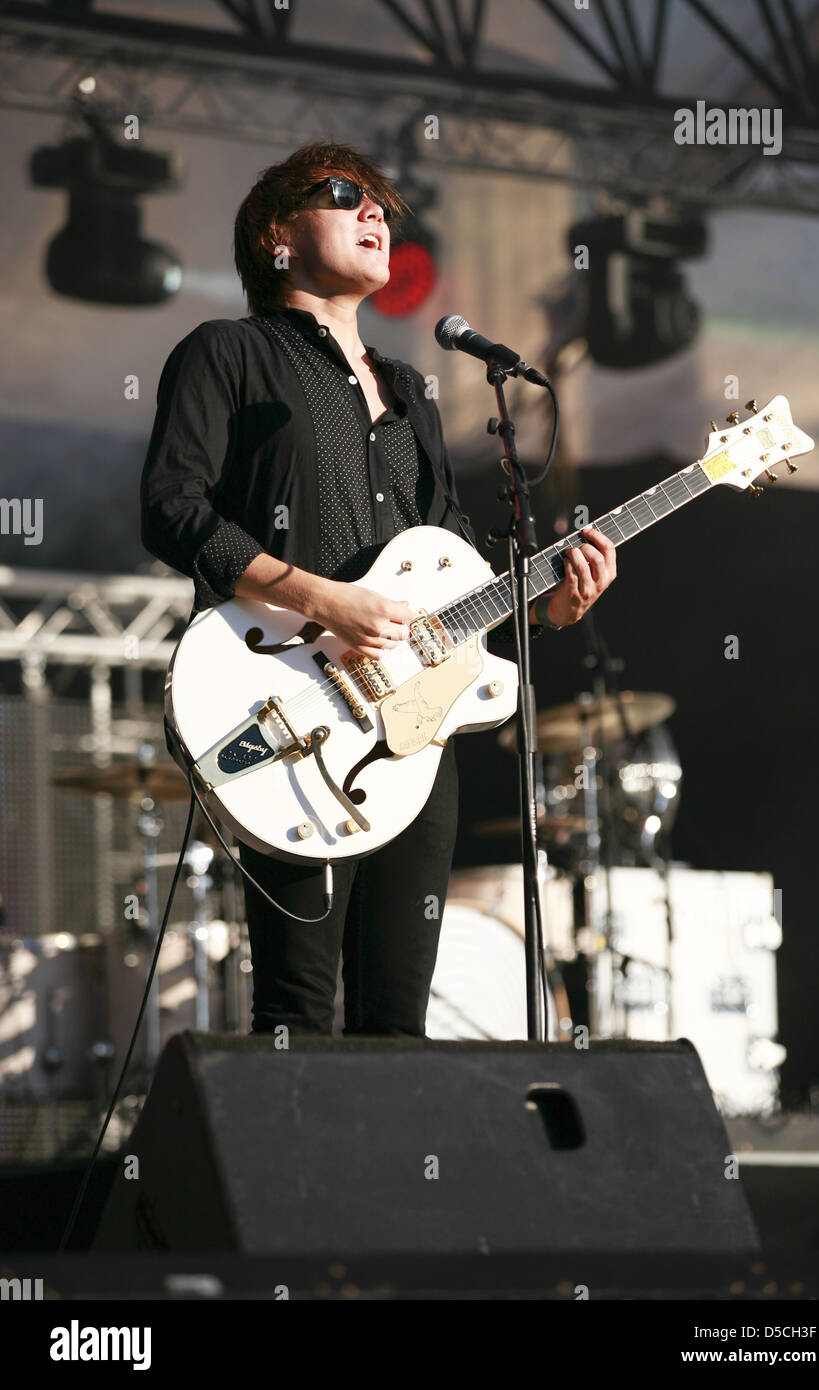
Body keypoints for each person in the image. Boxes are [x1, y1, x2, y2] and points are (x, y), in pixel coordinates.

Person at [140, 142, 616, 1039]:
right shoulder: (228, 354)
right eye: (346, 196)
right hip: (289, 708)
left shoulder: (411, 394)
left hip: (411, 743)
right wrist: (325, 600)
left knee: (399, 1018)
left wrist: (550, 606)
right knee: (298, 1008)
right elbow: (172, 510)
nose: (376, 216)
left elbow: (460, 578)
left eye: (384, 207)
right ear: (277, 233)